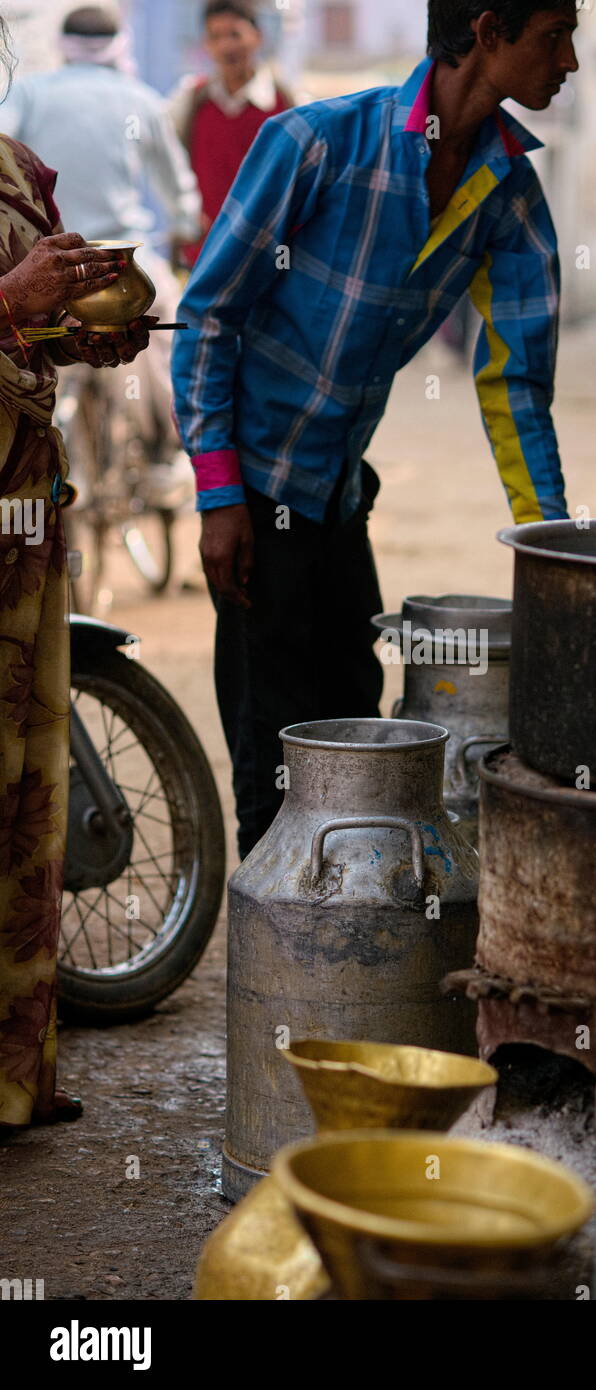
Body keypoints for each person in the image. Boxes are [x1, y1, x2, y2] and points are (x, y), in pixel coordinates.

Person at [172, 1, 578, 860]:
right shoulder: (314, 144)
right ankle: (269, 961)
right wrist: (217, 495)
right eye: (553, 35)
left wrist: (549, 549)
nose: (569, 59)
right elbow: (210, 315)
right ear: (488, 31)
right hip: (253, 494)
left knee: (356, 715)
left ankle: (341, 939)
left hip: (339, 493)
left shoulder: (507, 191)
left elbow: (513, 384)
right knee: (272, 749)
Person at [0, 9, 153, 1138]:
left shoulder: (11, 165)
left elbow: (28, 335)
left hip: (19, 513)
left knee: (25, 785)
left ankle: (12, 1076)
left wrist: (85, 327)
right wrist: (10, 306)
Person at [2, 3, 201, 505]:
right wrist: (181, 232)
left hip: (45, 261)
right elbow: (180, 194)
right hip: (117, 258)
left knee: (72, 338)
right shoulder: (140, 99)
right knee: (157, 328)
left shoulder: (27, 100)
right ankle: (162, 457)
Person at [167, 0, 293, 269]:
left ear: (257, 37)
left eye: (234, 35)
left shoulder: (288, 104)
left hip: (269, 258)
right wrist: (184, 215)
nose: (226, 46)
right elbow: (164, 161)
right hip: (204, 256)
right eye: (216, 37)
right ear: (206, 44)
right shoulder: (190, 100)